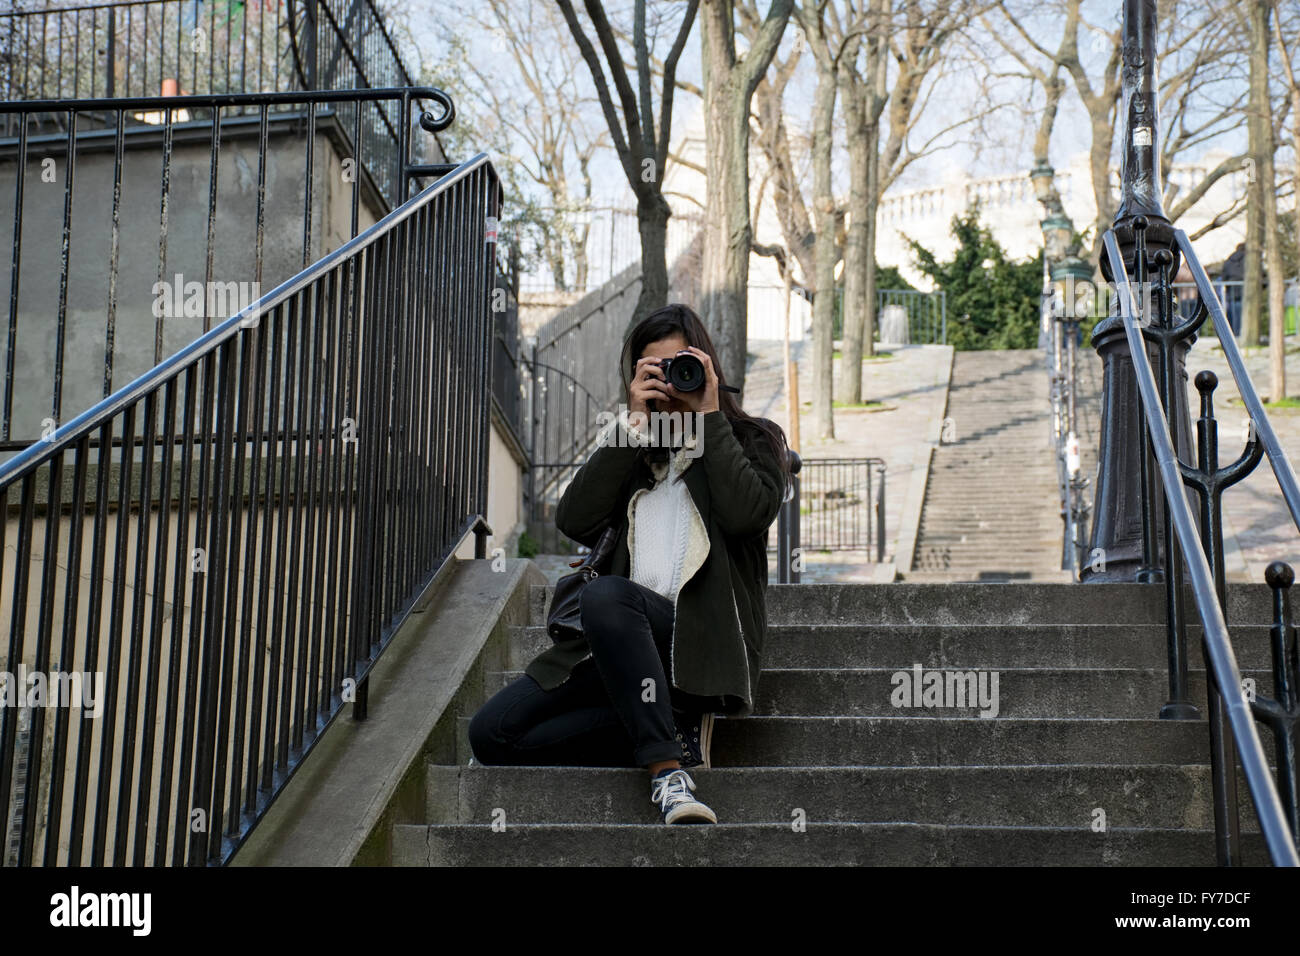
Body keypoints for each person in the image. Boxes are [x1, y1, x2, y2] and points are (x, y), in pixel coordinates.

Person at [468, 303, 790, 825]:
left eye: (683, 365)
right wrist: (633, 426)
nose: (673, 381)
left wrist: (707, 415)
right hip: (619, 645)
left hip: (698, 639)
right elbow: (574, 518)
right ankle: (669, 726)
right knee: (492, 734)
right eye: (655, 371)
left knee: (606, 594)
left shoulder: (753, 439)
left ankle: (666, 772)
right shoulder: (635, 449)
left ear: (707, 365)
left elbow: (746, 514)